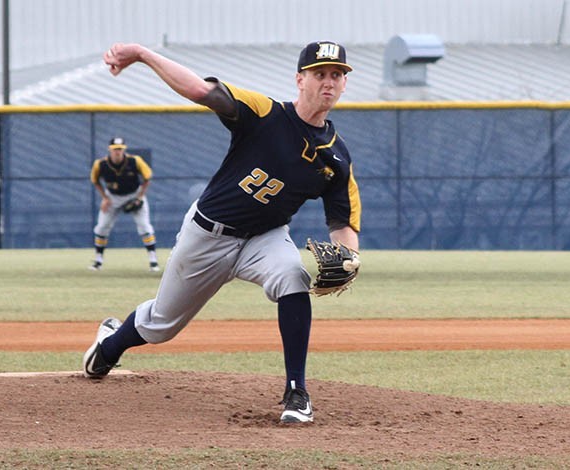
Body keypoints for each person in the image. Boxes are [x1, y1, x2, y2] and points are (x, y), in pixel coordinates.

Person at [84, 40, 362, 424]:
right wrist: (144, 54)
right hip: (208, 234)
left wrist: (349, 257)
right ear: (300, 79)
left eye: (336, 75)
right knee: (161, 325)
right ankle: (109, 345)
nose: (328, 82)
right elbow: (201, 90)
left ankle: (296, 392)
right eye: (319, 74)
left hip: (265, 238)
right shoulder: (265, 113)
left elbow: (342, 223)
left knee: (292, 277)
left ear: (344, 85)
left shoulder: (336, 157)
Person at [89, 136, 160, 272]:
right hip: (112, 197)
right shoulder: (100, 164)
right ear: (110, 150)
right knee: (102, 227)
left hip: (134, 194)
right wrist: (104, 198)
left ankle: (153, 260)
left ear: (124, 150)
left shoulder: (135, 161)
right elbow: (95, 181)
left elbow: (147, 177)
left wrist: (140, 197)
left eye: (120, 149)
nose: (118, 152)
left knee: (145, 227)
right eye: (115, 149)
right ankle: (98, 260)